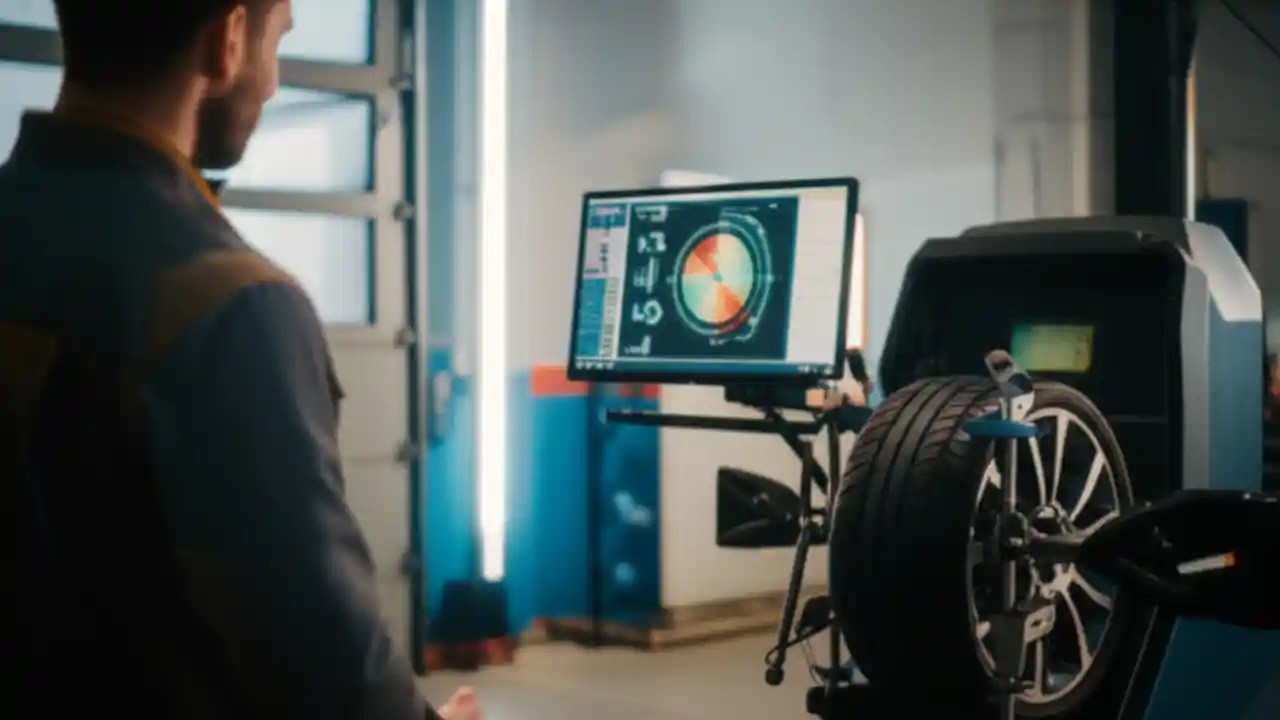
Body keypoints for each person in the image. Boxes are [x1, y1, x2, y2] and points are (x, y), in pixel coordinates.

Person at [0, 1, 478, 718]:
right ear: (227, 43)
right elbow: (326, 670)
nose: (274, 81)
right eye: (278, 41)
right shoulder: (226, 304)